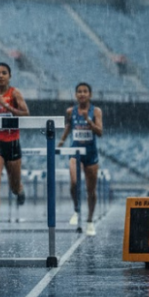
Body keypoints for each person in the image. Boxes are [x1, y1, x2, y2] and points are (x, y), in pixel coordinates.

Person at [0, 62, 29, 235]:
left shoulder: (14, 93)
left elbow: (26, 114)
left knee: (13, 185)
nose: (0, 75)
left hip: (12, 142)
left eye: (4, 73)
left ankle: (19, 190)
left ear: (9, 76)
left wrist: (7, 106)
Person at [57, 82, 103, 236]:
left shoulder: (96, 111)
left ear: (90, 94)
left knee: (91, 190)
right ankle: (77, 210)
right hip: (75, 150)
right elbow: (68, 127)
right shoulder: (70, 111)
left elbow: (100, 132)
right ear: (76, 95)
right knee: (74, 183)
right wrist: (61, 143)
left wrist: (88, 121)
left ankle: (90, 220)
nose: (82, 94)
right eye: (79, 92)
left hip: (90, 152)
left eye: (85, 91)